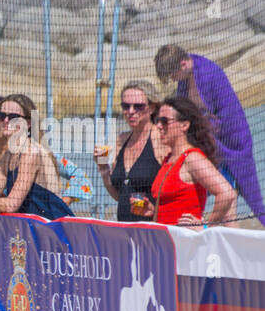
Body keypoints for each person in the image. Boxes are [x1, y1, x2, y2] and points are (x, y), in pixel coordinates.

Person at [155, 44, 262, 223]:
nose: (173, 79)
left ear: (183, 64)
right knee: (227, 197)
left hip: (231, 142)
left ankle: (213, 231)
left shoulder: (209, 74)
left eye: (173, 74)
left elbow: (229, 117)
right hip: (210, 141)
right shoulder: (186, 78)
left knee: (230, 198)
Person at [0, 96, 73, 220]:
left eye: (13, 117)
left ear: (29, 123)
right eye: (1, 115)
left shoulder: (31, 152)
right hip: (32, 228)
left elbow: (11, 205)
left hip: (55, 229)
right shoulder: (8, 155)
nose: (5, 120)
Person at [141, 97, 237, 226]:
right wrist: (154, 212)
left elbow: (227, 193)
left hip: (185, 241)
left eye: (165, 121)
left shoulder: (192, 158)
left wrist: (206, 227)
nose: (158, 126)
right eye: (158, 120)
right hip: (166, 240)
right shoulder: (169, 158)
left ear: (184, 125)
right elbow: (174, 204)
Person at [92, 80, 166, 221]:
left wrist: (157, 211)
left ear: (151, 108)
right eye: (126, 106)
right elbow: (120, 196)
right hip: (126, 229)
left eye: (138, 106)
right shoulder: (121, 140)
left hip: (154, 228)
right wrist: (103, 168)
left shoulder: (161, 138)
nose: (130, 111)